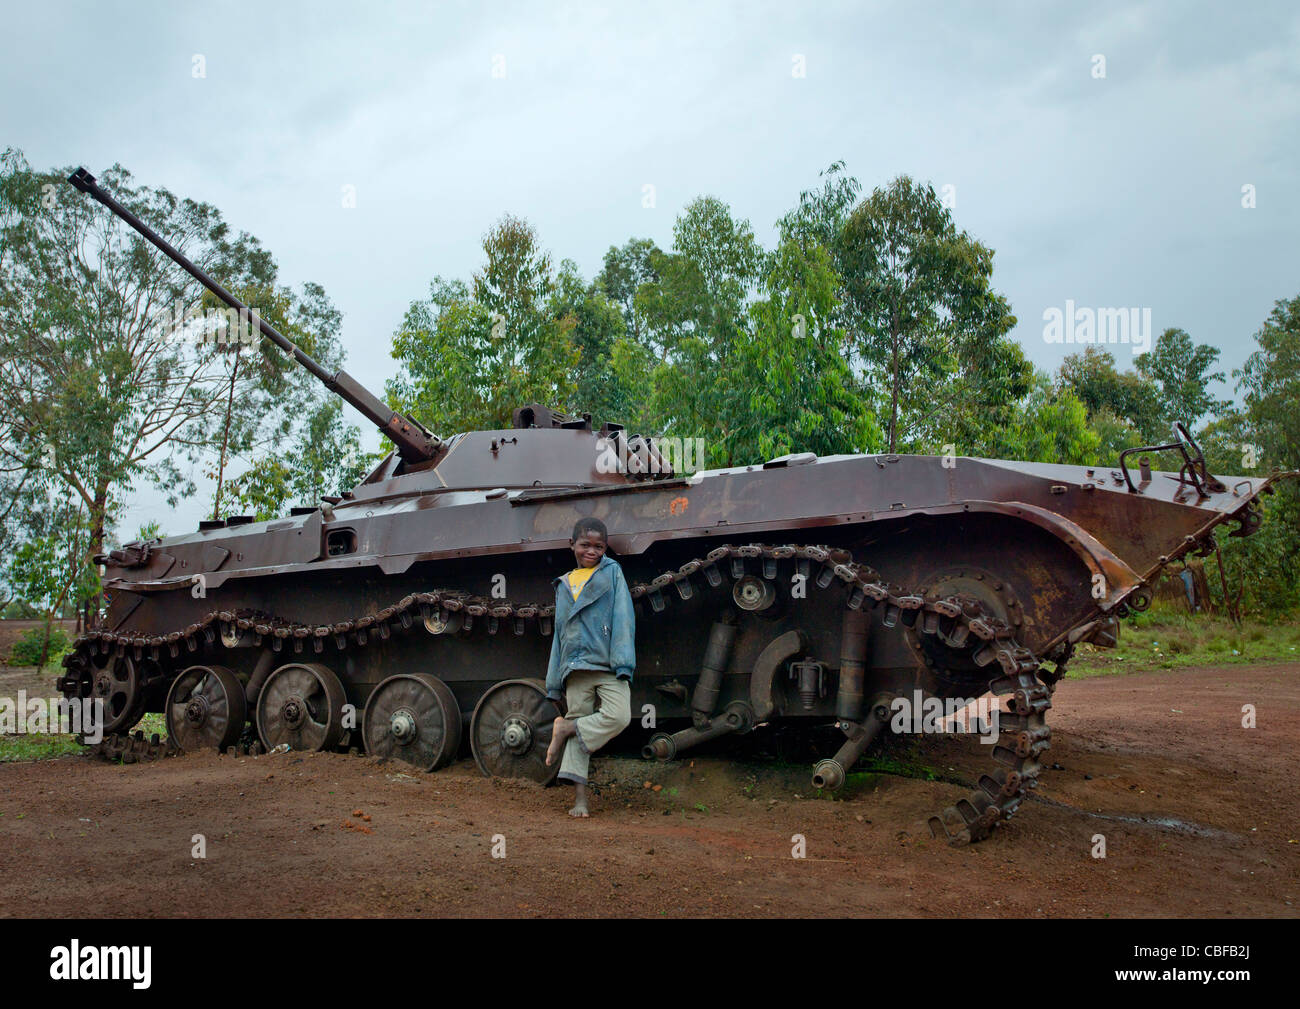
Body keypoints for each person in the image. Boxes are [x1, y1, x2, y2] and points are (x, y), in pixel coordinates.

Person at [544, 516, 635, 817]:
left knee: (619, 715)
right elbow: (559, 633)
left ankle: (567, 727)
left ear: (606, 548)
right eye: (585, 545)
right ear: (572, 545)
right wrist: (554, 680)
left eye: (599, 546)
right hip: (575, 666)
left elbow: (623, 617)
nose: (592, 552)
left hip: (608, 663)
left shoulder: (612, 573)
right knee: (580, 727)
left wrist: (623, 662)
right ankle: (579, 800)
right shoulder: (564, 584)